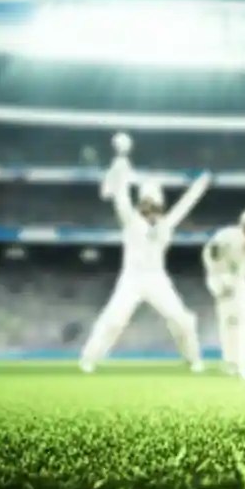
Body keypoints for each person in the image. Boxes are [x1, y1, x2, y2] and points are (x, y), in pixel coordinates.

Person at [80, 136, 211, 373]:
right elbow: (120, 197)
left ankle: (193, 359)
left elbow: (184, 205)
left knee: (182, 320)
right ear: (141, 205)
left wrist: (199, 187)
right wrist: (120, 166)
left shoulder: (166, 224)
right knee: (113, 321)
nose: (150, 210)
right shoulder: (131, 220)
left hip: (156, 278)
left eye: (154, 206)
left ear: (160, 207)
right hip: (131, 278)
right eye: (146, 205)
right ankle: (89, 359)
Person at [203, 208, 245, 378]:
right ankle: (233, 363)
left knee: (243, 321)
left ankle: (239, 362)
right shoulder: (226, 236)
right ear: (243, 226)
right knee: (229, 322)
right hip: (220, 278)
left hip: (238, 282)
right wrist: (217, 278)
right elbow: (211, 255)